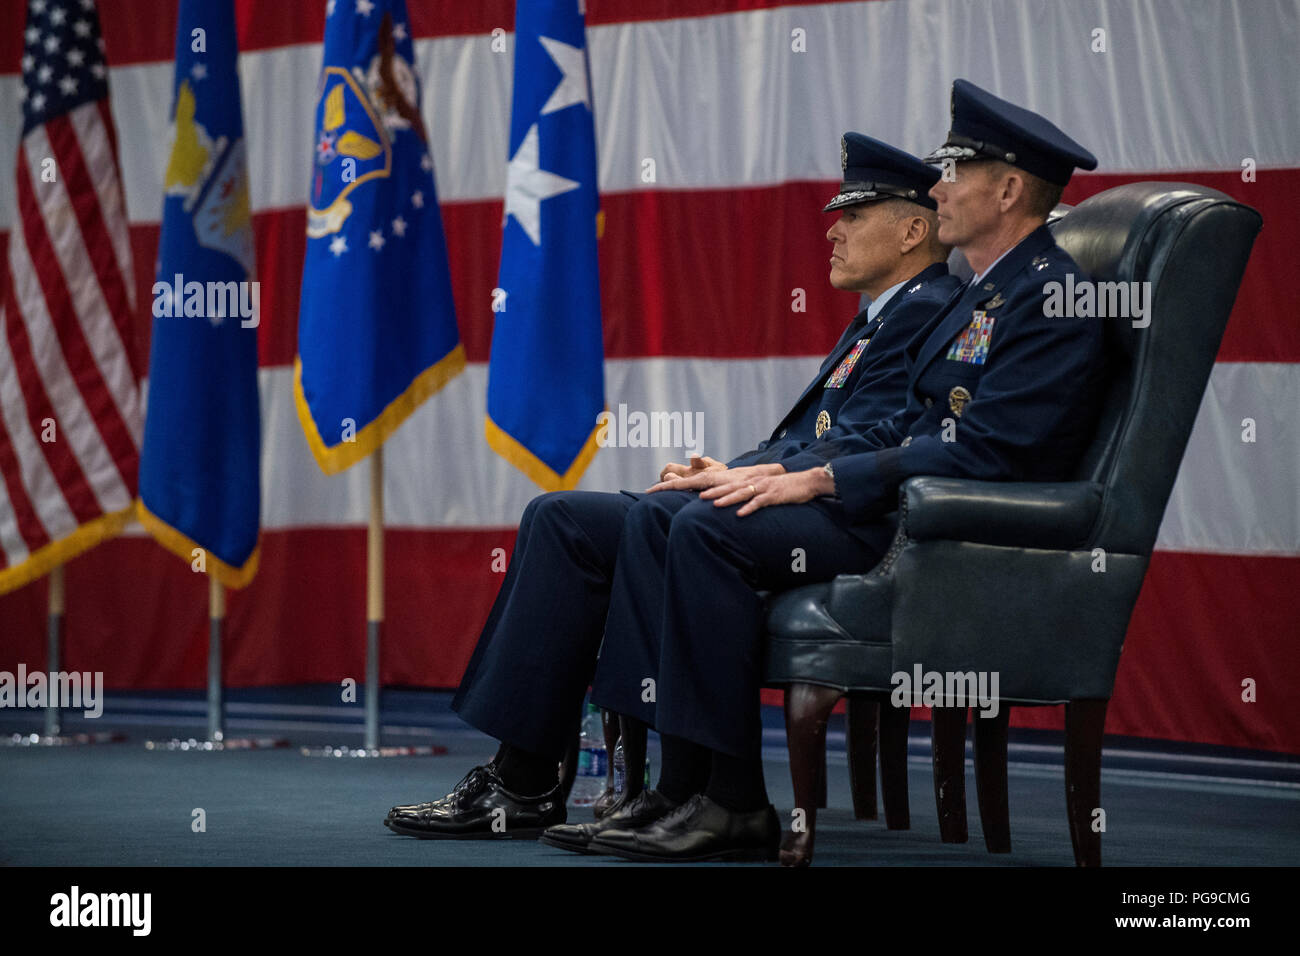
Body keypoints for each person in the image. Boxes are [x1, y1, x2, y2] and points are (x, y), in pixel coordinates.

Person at [579, 78, 1106, 863]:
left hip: (947, 534)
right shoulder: (981, 295)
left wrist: (823, 480)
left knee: (708, 531)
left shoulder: (1055, 297)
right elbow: (905, 420)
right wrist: (778, 472)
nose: (938, 187)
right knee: (692, 516)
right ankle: (681, 787)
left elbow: (991, 452)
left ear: (1007, 188)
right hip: (894, 504)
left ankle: (732, 801)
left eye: (956, 171)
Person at [384, 135, 961, 842]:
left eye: (854, 215)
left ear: (912, 229)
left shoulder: (931, 308)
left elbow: (880, 441)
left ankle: (685, 790)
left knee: (669, 523)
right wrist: (726, 469)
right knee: (561, 519)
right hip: (795, 495)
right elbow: (819, 433)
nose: (833, 230)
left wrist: (754, 476)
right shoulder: (882, 314)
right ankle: (524, 778)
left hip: (851, 515)